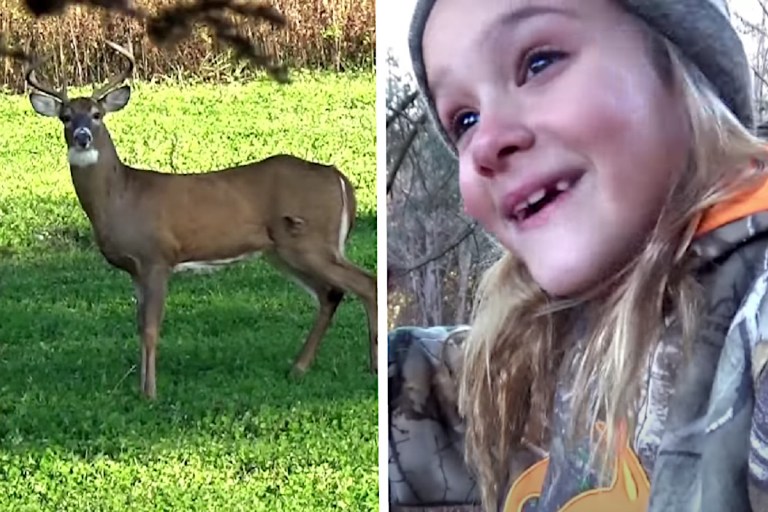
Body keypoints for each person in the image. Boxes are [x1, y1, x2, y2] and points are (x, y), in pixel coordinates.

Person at [388, 1, 768, 511]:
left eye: (539, 63)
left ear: (683, 68)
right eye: (465, 119)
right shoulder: (532, 345)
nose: (487, 143)